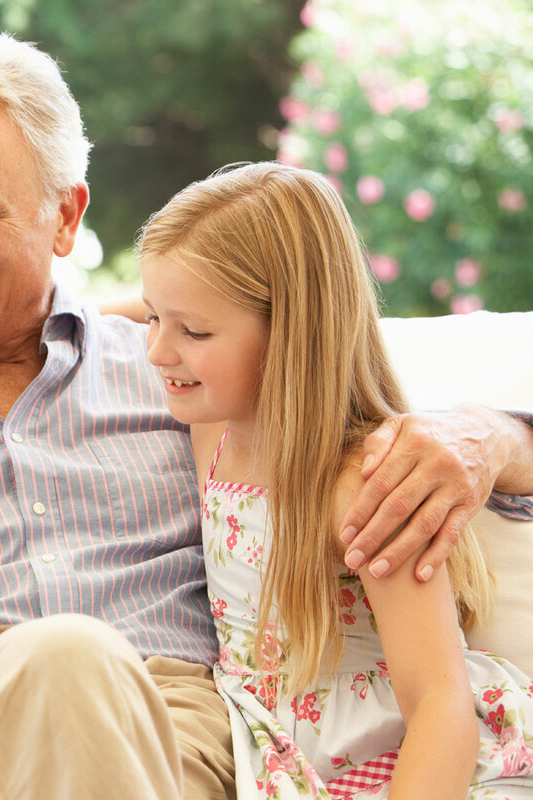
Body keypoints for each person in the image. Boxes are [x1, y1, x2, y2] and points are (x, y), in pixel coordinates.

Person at [0, 33, 533, 799]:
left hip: (170, 730)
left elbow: (314, 353)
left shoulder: (184, 378)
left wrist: (497, 434)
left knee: (71, 663)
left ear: (65, 217)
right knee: (59, 657)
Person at [139, 160, 533, 798]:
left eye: (193, 331)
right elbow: (169, 299)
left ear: (291, 333)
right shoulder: (214, 425)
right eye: (156, 318)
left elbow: (438, 701)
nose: (157, 349)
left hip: (407, 758)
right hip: (281, 749)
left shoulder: (362, 486)